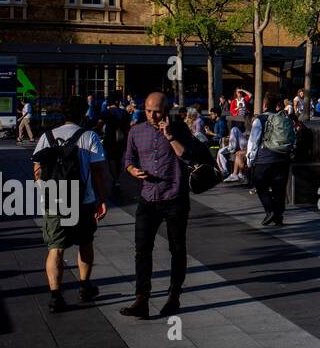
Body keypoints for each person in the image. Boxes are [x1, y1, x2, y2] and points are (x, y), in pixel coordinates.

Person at [120, 92, 207, 318]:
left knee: (177, 249)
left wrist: (170, 137)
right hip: (148, 197)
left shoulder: (179, 129)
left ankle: (174, 296)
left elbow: (188, 157)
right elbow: (128, 159)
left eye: (157, 110)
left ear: (166, 109)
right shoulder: (136, 131)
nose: (152, 115)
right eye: (148, 110)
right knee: (142, 249)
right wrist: (132, 170)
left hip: (175, 197)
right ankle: (142, 299)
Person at [33, 95, 108, 313]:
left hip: (54, 200)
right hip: (83, 200)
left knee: (55, 249)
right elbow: (97, 172)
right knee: (85, 243)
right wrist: (101, 199)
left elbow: (37, 170)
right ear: (83, 114)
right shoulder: (89, 136)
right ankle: (85, 286)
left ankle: (56, 297)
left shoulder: (46, 137)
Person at [246, 93, 296, 226]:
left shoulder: (260, 119)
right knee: (279, 189)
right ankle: (279, 218)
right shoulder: (283, 118)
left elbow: (254, 141)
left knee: (259, 184)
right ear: (277, 105)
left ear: (265, 105)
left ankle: (270, 210)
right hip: (282, 158)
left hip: (265, 159)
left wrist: (250, 160)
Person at [99, 93, 132, 189]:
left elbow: (100, 125)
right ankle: (117, 177)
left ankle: (115, 179)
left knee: (111, 159)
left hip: (110, 138)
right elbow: (128, 127)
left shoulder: (106, 112)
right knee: (118, 159)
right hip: (121, 139)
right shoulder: (124, 112)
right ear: (117, 102)